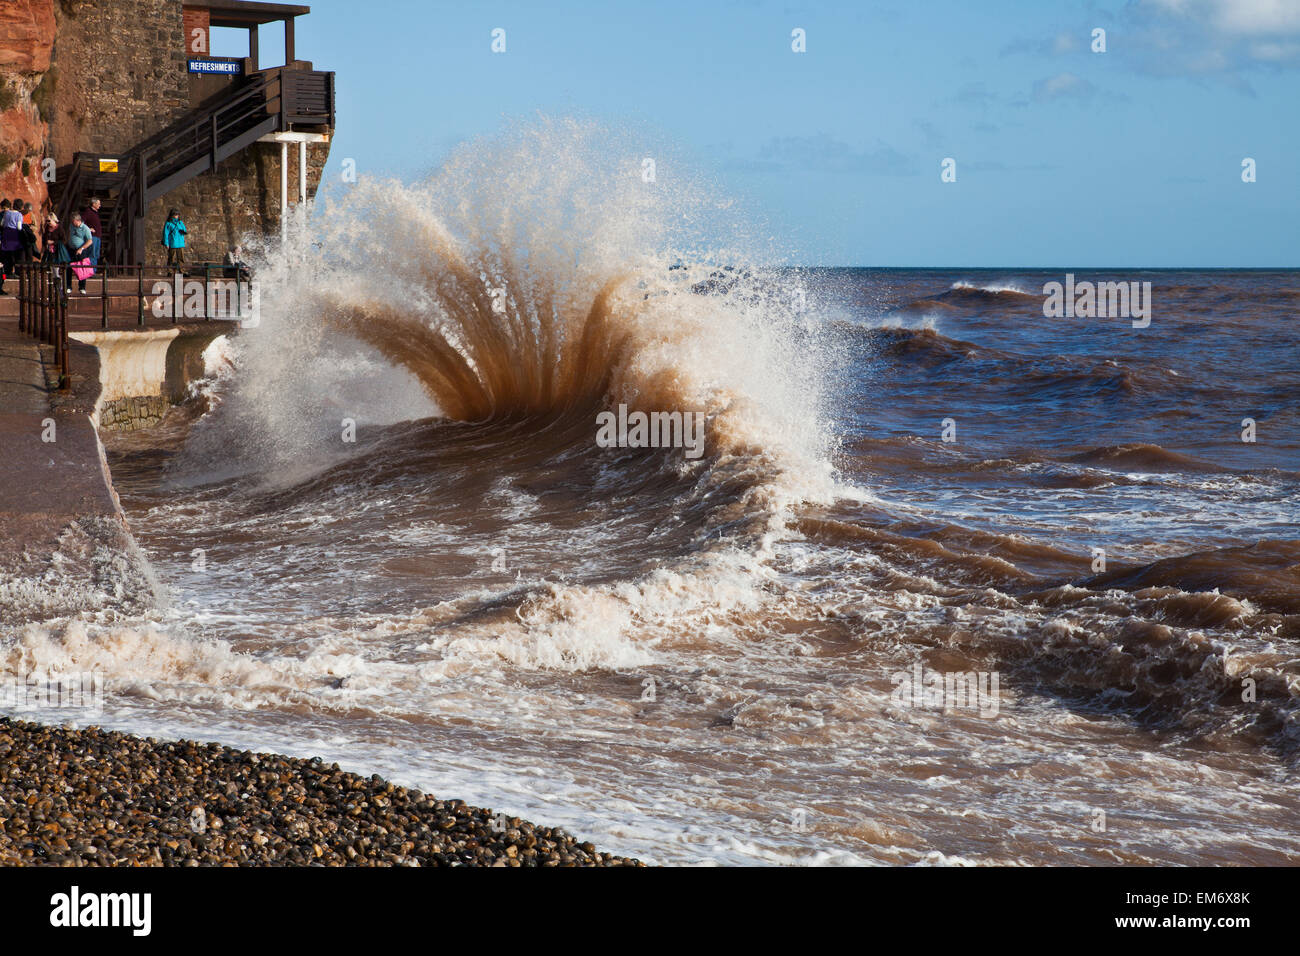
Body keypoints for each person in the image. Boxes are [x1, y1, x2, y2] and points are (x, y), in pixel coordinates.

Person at [65, 211, 94, 293]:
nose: (72, 222)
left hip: (80, 250)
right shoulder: (71, 226)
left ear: (77, 220)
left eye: (73, 221)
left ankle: (82, 287)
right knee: (68, 267)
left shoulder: (85, 228)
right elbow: (69, 233)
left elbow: (90, 241)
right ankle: (68, 286)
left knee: (82, 268)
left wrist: (81, 248)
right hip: (71, 249)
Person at [0, 199, 23, 295]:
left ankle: (7, 273)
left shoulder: (7, 213)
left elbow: (1, 224)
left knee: (6, 256)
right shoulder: (19, 215)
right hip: (14, 236)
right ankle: (15, 272)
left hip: (6, 235)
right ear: (21, 207)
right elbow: (19, 227)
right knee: (15, 255)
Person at [163, 208, 187, 273]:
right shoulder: (168, 223)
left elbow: (185, 230)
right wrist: (166, 243)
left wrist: (182, 229)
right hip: (172, 243)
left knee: (181, 258)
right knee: (171, 258)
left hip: (180, 243)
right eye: (175, 214)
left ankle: (182, 271)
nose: (176, 216)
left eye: (177, 214)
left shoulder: (180, 222)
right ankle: (170, 271)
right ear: (172, 215)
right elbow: (165, 234)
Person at [81, 197, 102, 264]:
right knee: (91, 254)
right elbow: (81, 223)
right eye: (98, 204)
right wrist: (88, 229)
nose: (100, 205)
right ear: (93, 204)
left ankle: (93, 270)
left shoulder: (95, 213)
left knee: (96, 254)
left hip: (97, 236)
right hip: (92, 237)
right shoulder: (88, 212)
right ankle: (90, 270)